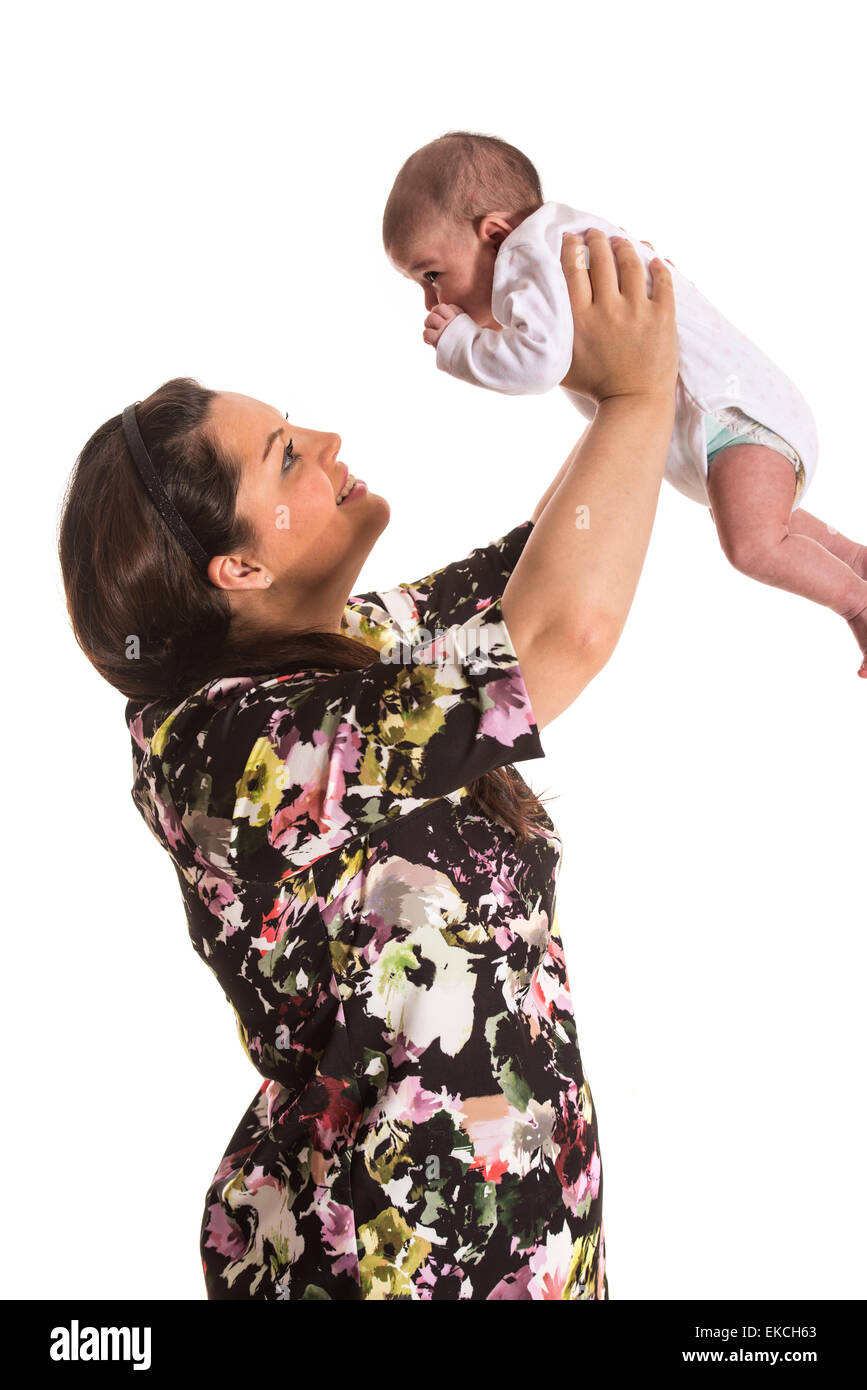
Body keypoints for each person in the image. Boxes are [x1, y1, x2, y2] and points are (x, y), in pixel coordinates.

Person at [57, 228, 678, 1300]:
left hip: (527, 1255)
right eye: (288, 455)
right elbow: (553, 640)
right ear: (237, 565)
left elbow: (543, 565)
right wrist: (635, 397)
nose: (333, 441)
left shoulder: (344, 643)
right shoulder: (227, 750)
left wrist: (605, 372)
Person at [383, 131, 867, 677]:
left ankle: (857, 602)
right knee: (786, 530)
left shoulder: (527, 252)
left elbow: (538, 363)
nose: (431, 300)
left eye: (431, 275)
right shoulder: (557, 237)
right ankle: (857, 565)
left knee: (753, 545)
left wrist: (461, 345)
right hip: (747, 417)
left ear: (493, 234)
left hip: (730, 419)